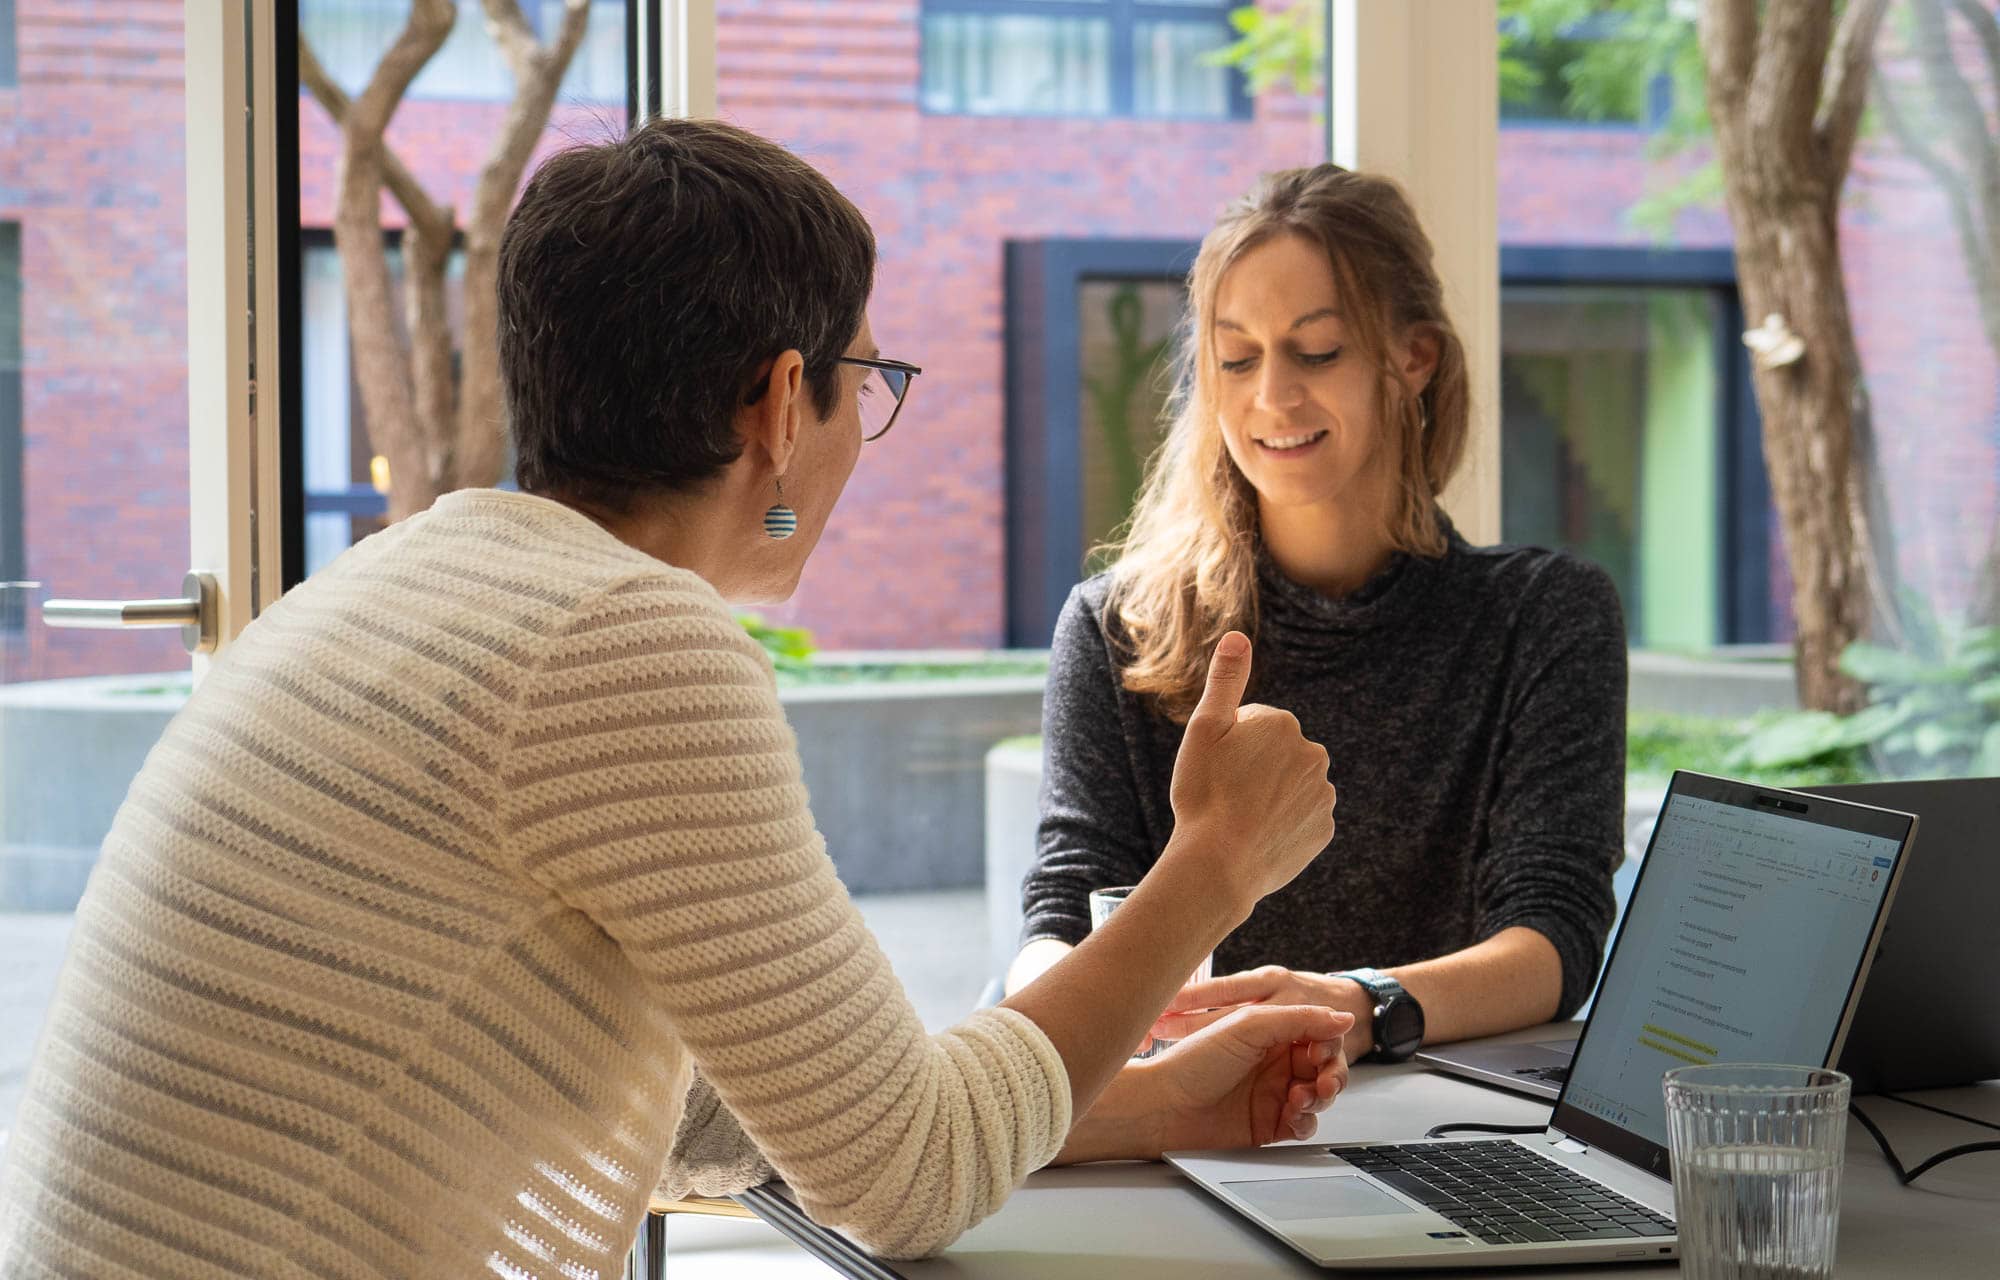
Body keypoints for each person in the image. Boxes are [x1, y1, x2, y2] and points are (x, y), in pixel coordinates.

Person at [0, 121, 1352, 1278]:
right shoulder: (624, 643)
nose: (855, 437)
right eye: (862, 384)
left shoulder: (418, 575)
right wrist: (1212, 869)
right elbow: (905, 1176)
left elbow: (736, 1119)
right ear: (778, 404)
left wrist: (1147, 1099)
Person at [1007, 164, 1626, 1067]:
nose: (1272, 398)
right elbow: (1060, 915)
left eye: (1317, 350)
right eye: (1237, 357)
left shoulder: (1544, 618)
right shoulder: (1117, 628)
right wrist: (1047, 1021)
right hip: (1175, 1115)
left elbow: (1554, 937)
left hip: (1437, 1126)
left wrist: (1355, 1006)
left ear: (1413, 357)